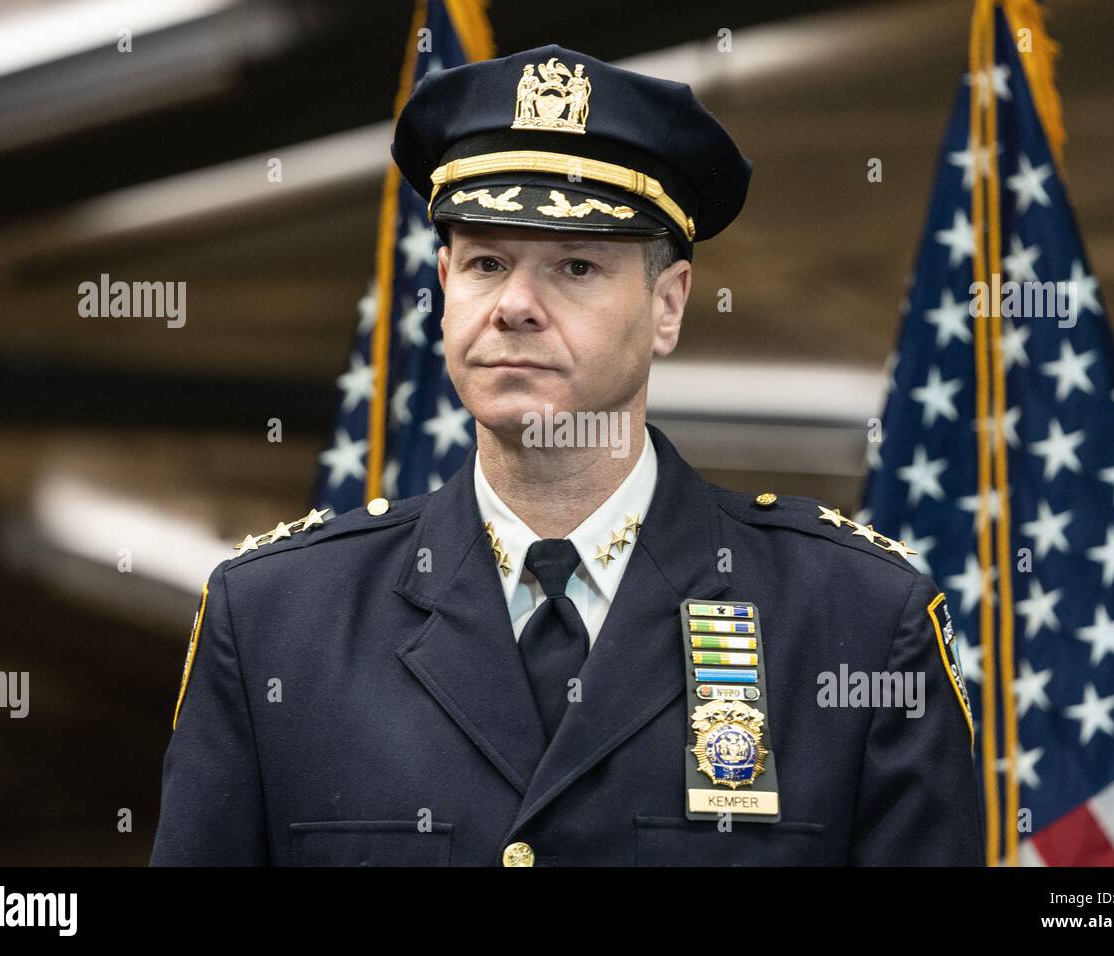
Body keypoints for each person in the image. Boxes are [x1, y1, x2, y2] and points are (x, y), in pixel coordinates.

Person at [149, 43, 984, 867]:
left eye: (575, 266)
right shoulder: (276, 624)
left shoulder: (854, 626)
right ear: (443, 286)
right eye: (485, 263)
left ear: (668, 305)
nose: (514, 304)